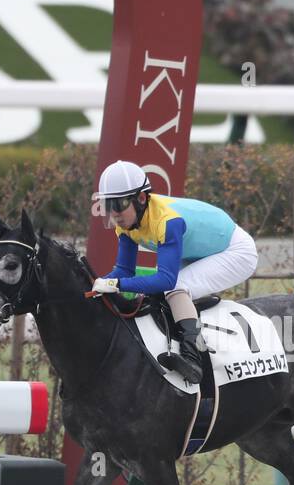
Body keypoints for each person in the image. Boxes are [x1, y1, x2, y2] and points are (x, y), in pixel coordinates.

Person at [91, 159, 258, 384]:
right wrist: (95, 283)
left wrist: (116, 285)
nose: (115, 213)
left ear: (141, 199)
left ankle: (193, 357)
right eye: (109, 205)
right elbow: (124, 271)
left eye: (119, 204)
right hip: (200, 251)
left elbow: (166, 280)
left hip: (236, 251)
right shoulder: (125, 224)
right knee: (160, 293)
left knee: (176, 287)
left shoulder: (167, 221)